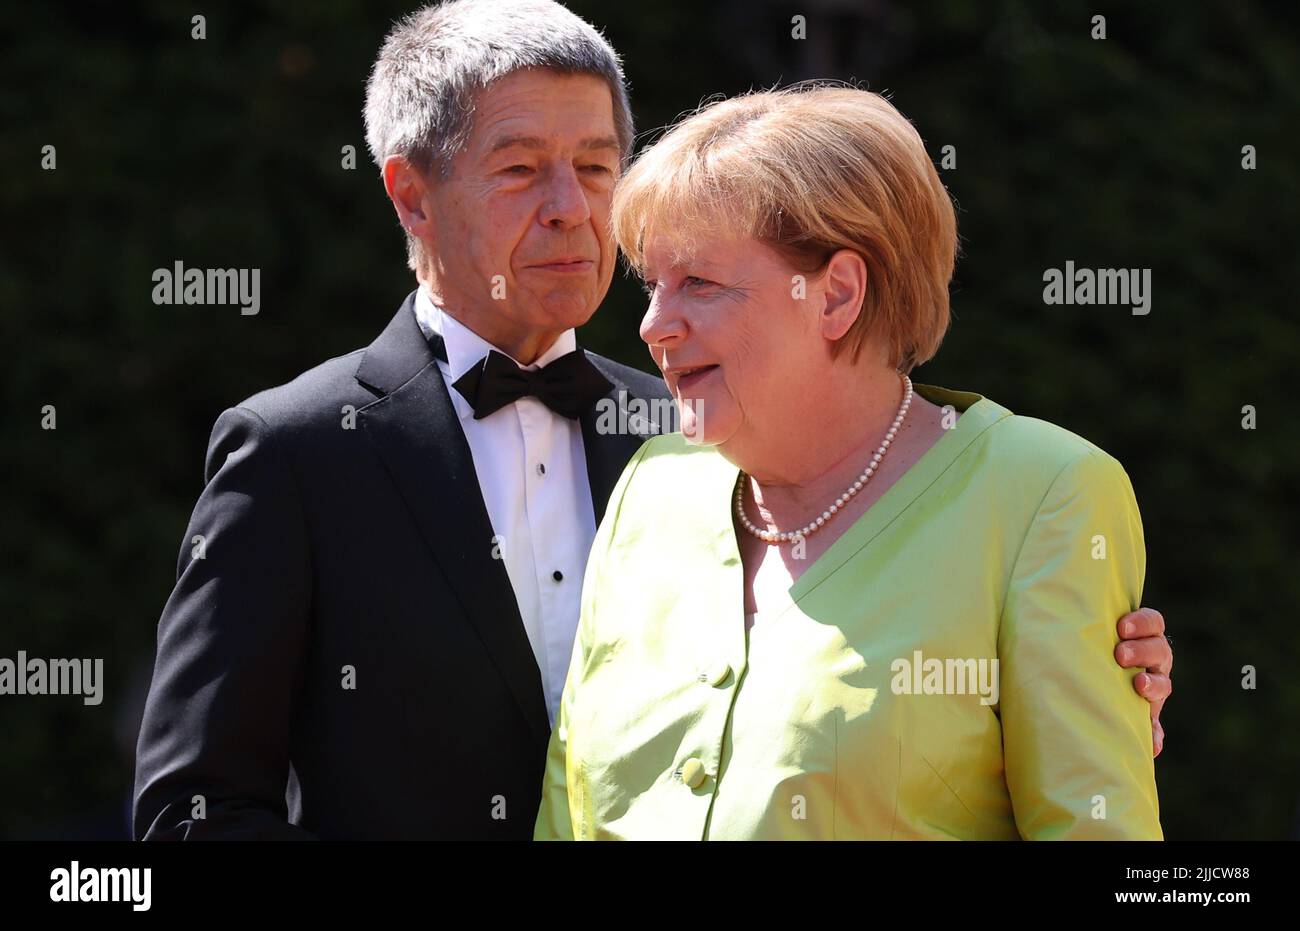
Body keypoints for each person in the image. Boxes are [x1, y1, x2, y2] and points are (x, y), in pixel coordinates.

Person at [134, 0, 1170, 841]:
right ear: (410, 196)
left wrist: (1067, 680)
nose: (571, 209)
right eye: (517, 167)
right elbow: (194, 808)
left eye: (594, 167)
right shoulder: (296, 452)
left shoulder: (681, 435)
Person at [536, 85, 1164, 839]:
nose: (652, 326)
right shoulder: (650, 488)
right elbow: (562, 813)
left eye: (698, 283)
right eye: (653, 285)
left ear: (836, 294)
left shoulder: (1044, 496)